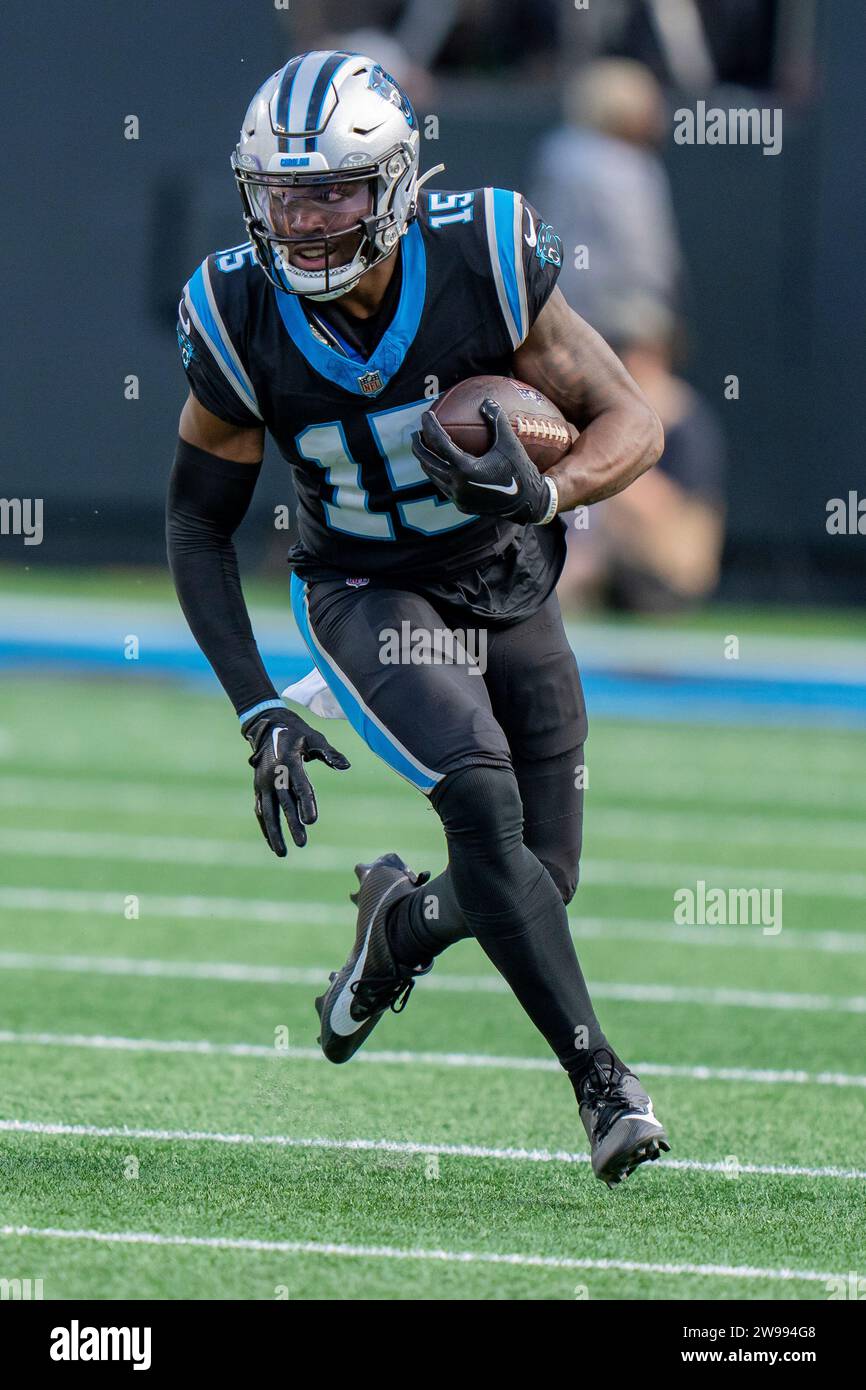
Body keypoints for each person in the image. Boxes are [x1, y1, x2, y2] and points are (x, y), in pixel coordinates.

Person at [167, 51, 668, 1186]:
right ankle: (602, 1084)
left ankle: (398, 926)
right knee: (480, 799)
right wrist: (257, 705)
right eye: (283, 193)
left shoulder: (482, 255)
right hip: (361, 589)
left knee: (539, 869)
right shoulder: (238, 313)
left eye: (332, 190)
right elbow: (198, 527)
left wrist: (550, 492)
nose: (303, 219)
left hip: (504, 572)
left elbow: (626, 419)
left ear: (394, 183)